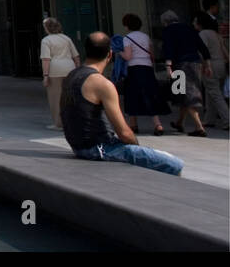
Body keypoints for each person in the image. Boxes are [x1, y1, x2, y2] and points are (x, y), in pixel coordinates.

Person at [61, 31, 183, 175]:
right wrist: (136, 148)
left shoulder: (71, 76)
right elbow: (124, 132)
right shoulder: (102, 84)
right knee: (174, 164)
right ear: (110, 54)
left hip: (78, 146)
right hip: (100, 148)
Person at [159, 10, 210, 137]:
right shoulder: (189, 28)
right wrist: (207, 64)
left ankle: (199, 127)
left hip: (180, 65)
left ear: (165, 22)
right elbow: (202, 46)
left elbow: (168, 48)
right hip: (195, 63)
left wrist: (168, 66)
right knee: (182, 94)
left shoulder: (168, 31)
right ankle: (180, 122)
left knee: (186, 95)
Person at [118, 13, 166, 135]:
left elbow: (128, 56)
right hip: (147, 69)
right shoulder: (145, 36)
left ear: (127, 25)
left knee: (132, 96)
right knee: (150, 95)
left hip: (134, 70)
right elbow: (152, 55)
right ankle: (158, 124)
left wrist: (119, 53)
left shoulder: (127, 38)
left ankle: (133, 125)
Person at [39, 17, 80, 131]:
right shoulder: (66, 38)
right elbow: (76, 56)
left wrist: (45, 76)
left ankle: (59, 123)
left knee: (55, 98)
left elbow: (46, 59)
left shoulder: (46, 40)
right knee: (69, 96)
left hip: (55, 70)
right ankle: (72, 121)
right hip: (69, 68)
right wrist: (78, 69)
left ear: (47, 28)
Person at [194, 0, 229, 130]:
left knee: (215, 94)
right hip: (221, 65)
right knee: (212, 93)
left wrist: (203, 66)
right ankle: (209, 119)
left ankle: (227, 119)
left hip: (210, 65)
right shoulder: (215, 34)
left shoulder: (203, 34)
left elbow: (203, 52)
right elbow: (225, 51)